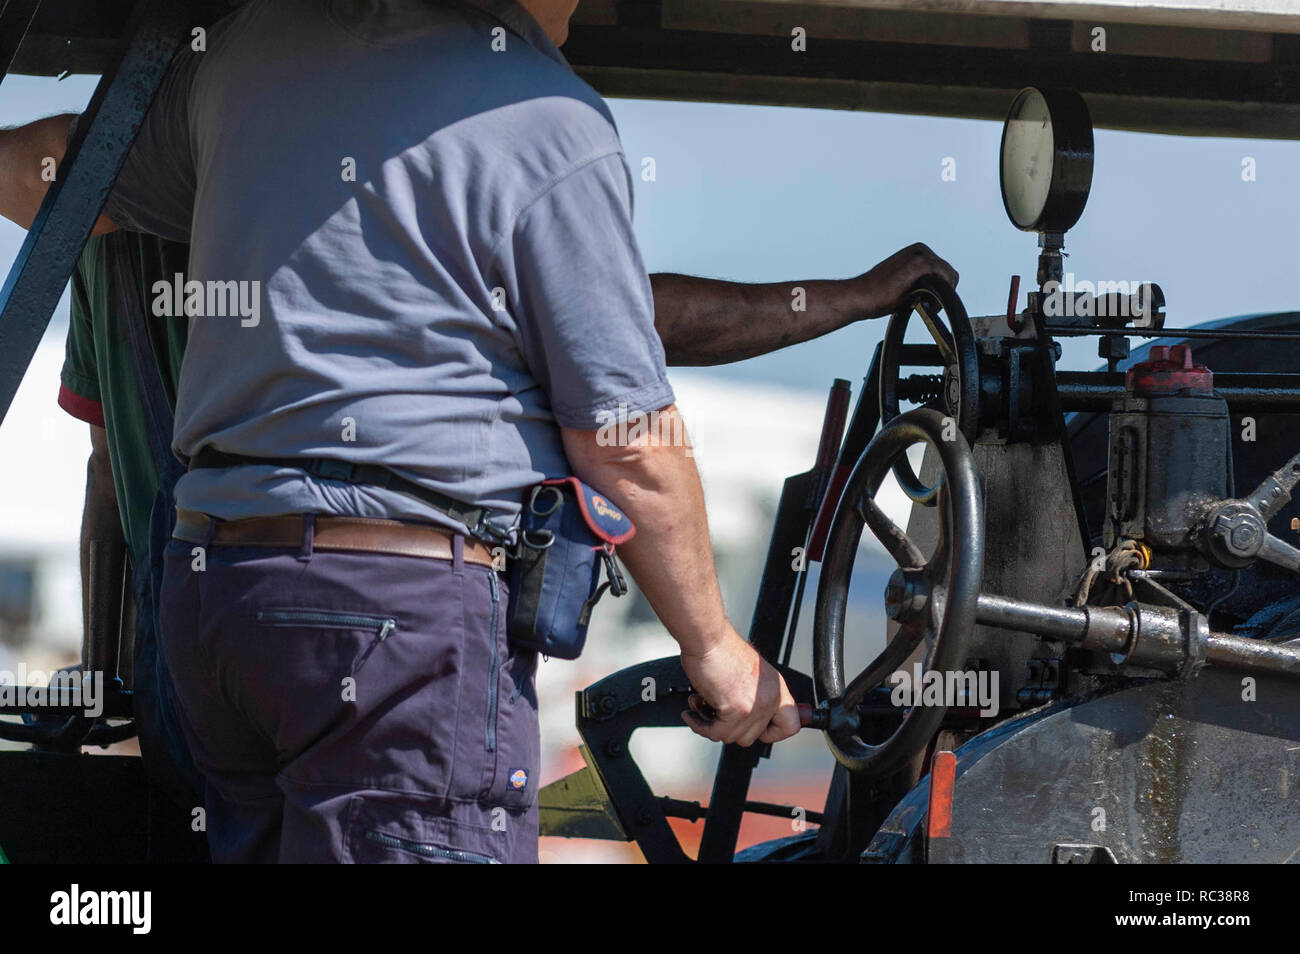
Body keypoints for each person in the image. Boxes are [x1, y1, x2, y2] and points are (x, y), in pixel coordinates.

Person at [0, 0, 955, 863]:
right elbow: (625, 434)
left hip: (222, 606)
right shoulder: (546, 118)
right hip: (398, 625)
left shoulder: (257, 52)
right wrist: (719, 652)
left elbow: (51, 175)